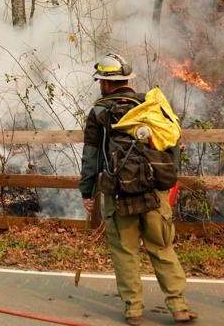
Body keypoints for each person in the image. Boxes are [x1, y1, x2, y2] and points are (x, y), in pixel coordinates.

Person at [79, 54, 197, 325]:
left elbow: (91, 158)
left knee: (124, 251)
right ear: (126, 81)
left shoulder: (99, 111)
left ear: (107, 84)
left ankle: (133, 311)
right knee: (162, 246)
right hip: (155, 191)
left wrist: (87, 193)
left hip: (118, 193)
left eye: (100, 81)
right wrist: (169, 183)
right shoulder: (151, 105)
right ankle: (179, 307)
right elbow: (172, 143)